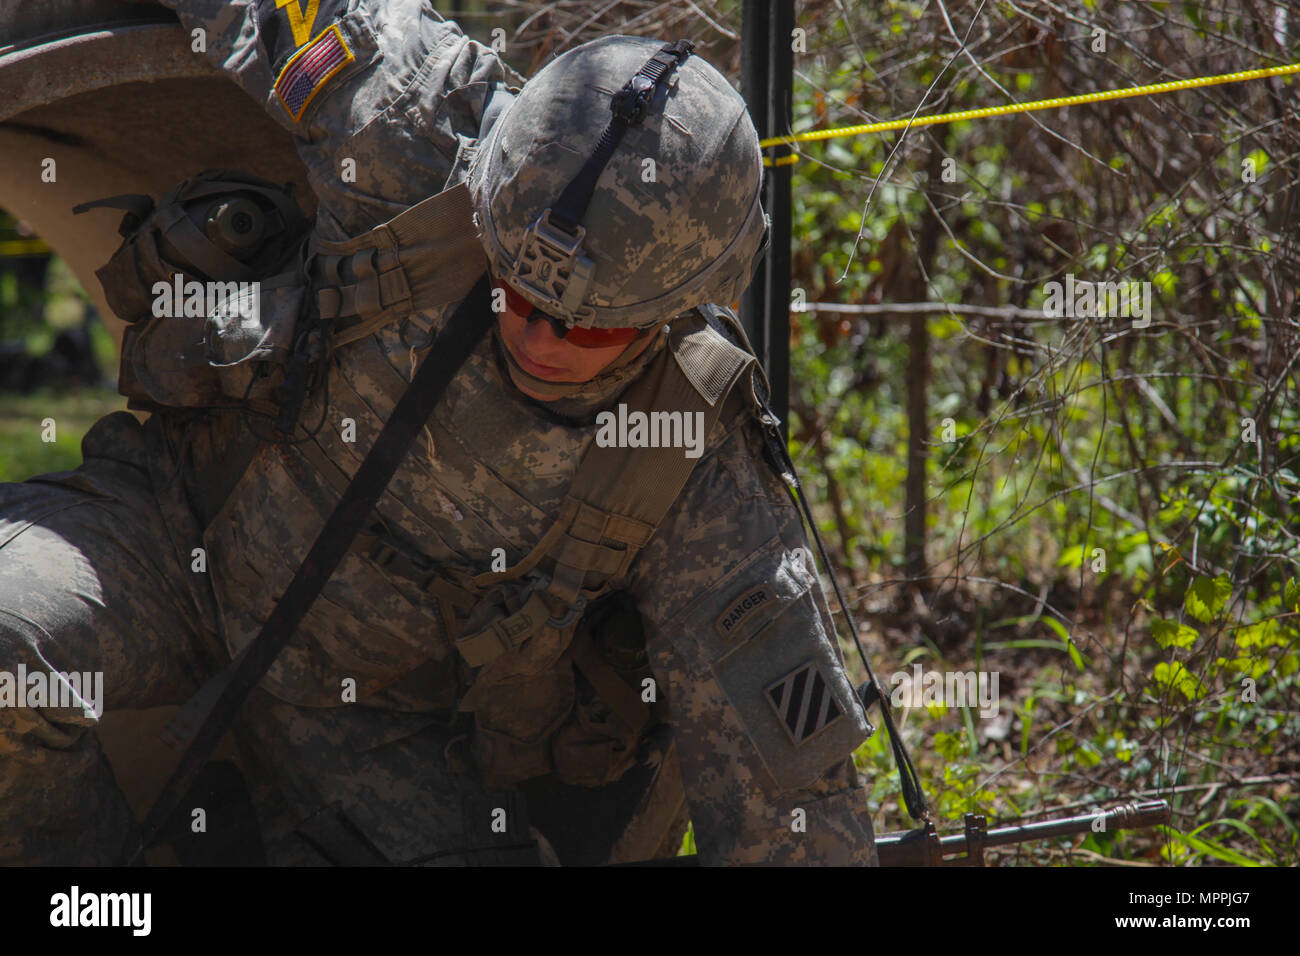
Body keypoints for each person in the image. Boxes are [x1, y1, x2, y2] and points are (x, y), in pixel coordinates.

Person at [0, 0, 878, 866]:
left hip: (369, 722)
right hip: (171, 536)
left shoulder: (691, 453)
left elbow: (790, 801)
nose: (537, 333)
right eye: (517, 289)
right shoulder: (406, 126)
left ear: (677, 311)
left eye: (588, 327)